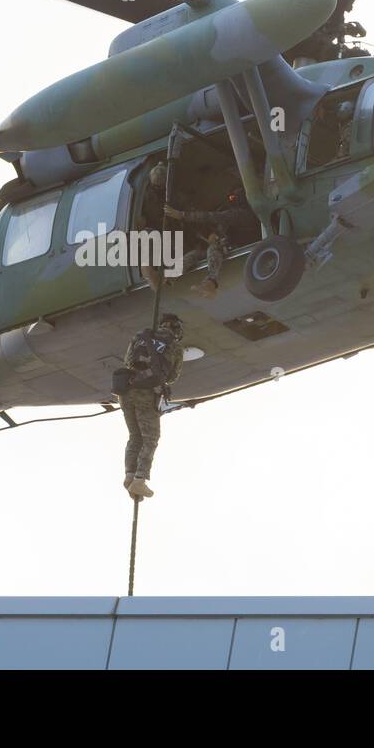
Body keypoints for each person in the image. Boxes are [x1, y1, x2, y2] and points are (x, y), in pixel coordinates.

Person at [117, 313, 184, 500]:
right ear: (176, 329)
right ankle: (139, 480)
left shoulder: (140, 336)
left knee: (135, 436)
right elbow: (171, 376)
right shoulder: (175, 346)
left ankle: (129, 475)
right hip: (146, 395)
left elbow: (128, 360)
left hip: (125, 391)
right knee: (151, 438)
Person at [164, 187, 260, 298]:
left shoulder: (243, 214)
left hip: (239, 247)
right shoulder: (234, 216)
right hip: (228, 247)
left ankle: (210, 282)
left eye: (233, 197)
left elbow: (211, 217)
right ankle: (170, 275)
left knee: (213, 248)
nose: (231, 200)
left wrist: (182, 215)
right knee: (195, 254)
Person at [138, 162, 168, 291]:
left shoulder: (166, 193)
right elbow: (140, 219)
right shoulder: (145, 196)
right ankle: (151, 275)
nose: (158, 188)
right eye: (156, 185)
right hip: (152, 229)